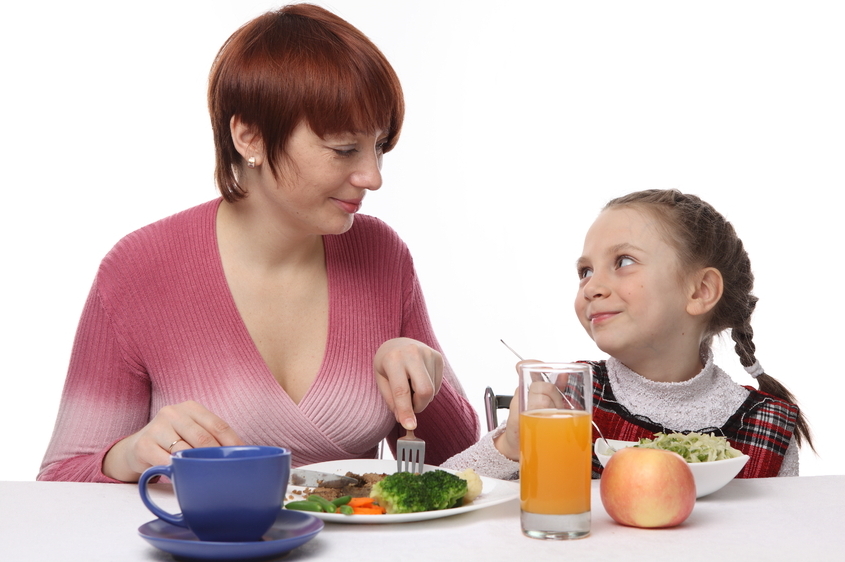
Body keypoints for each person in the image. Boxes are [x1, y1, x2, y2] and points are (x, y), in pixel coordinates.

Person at [39, 4, 478, 483]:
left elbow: (463, 471)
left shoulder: (382, 255)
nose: (372, 177)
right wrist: (127, 455)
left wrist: (424, 386)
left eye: (379, 146)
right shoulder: (138, 270)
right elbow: (59, 480)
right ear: (249, 136)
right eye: (343, 149)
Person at [443, 189, 812, 480]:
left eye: (623, 262)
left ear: (699, 291)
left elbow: (776, 540)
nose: (591, 287)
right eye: (585, 271)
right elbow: (446, 491)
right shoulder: (565, 397)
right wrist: (510, 444)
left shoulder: (767, 426)